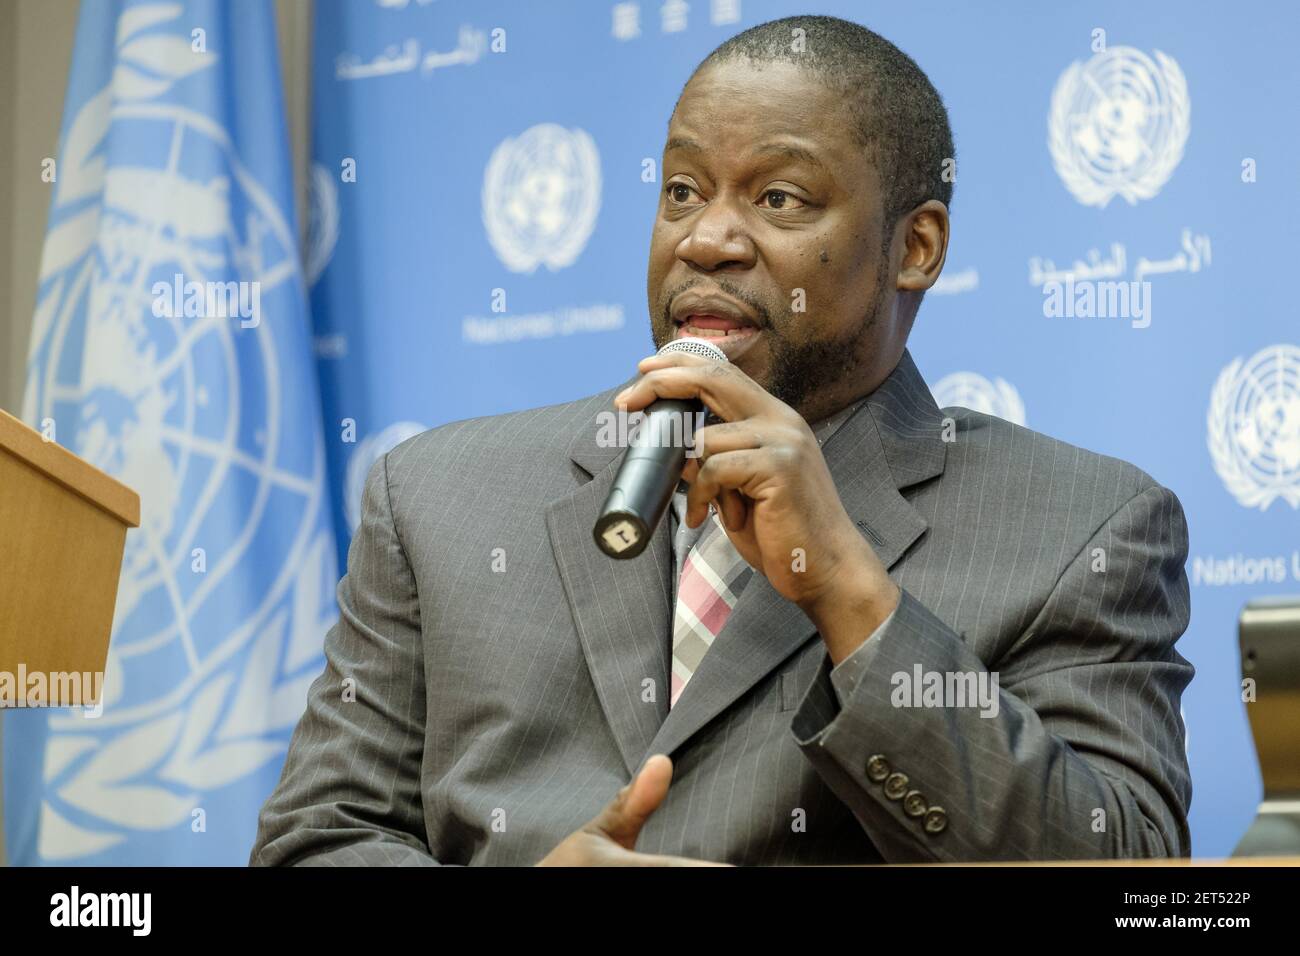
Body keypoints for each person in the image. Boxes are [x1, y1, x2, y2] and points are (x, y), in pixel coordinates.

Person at [250, 15, 1193, 866]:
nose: (706, 239)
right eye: (682, 190)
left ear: (916, 247)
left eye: (780, 198)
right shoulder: (439, 496)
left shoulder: (1083, 530)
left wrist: (850, 591)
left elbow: (1132, 880)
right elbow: (316, 843)